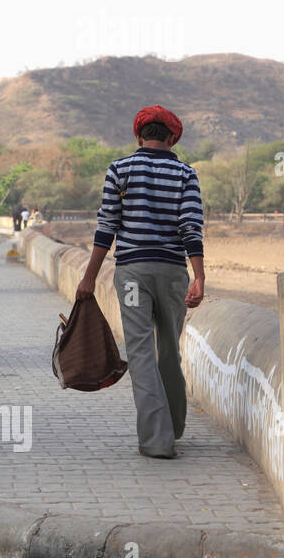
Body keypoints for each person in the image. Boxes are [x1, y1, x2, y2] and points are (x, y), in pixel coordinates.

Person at [75, 105, 205, 460]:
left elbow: (107, 227)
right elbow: (190, 228)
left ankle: (157, 440)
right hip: (174, 274)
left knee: (141, 353)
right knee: (169, 350)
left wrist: (88, 278)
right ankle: (174, 427)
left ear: (138, 136)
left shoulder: (120, 170)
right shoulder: (186, 174)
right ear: (172, 137)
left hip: (132, 273)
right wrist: (200, 277)